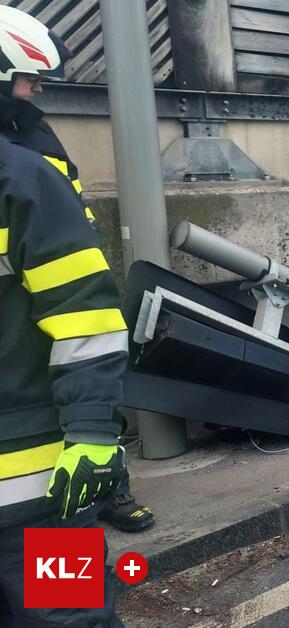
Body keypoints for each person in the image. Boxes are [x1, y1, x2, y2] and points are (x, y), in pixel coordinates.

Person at [0, 6, 154, 535]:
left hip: (55, 333)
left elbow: (86, 320)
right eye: (30, 79)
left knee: (70, 597)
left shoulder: (31, 148)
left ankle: (110, 484)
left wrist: (91, 434)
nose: (37, 90)